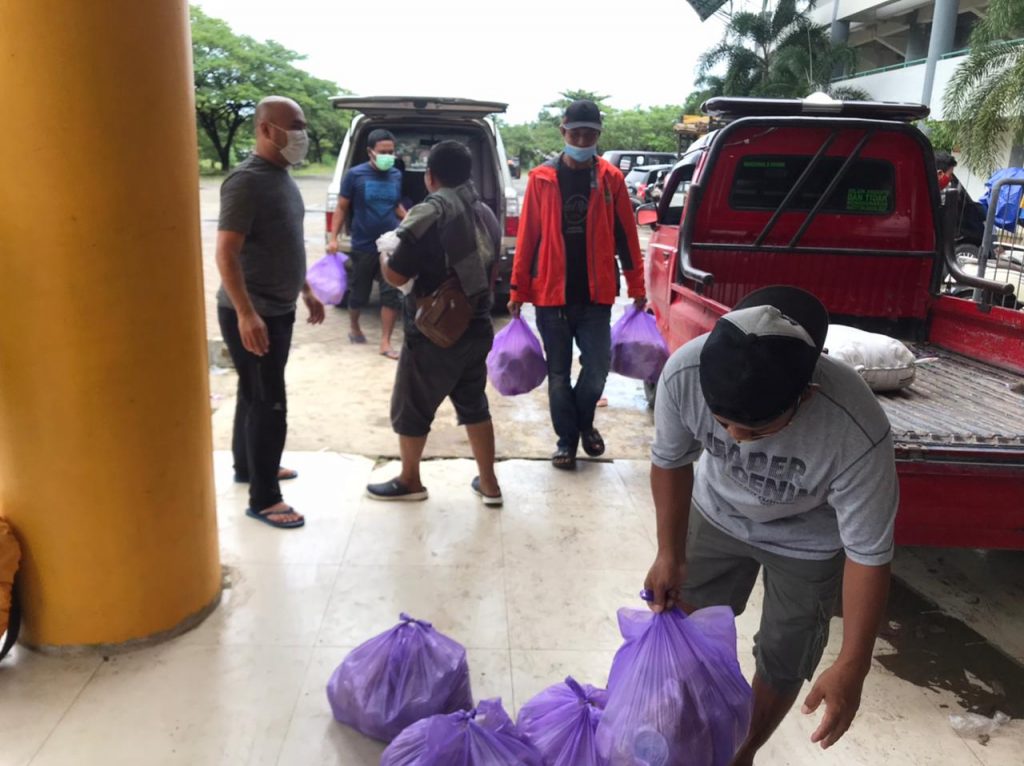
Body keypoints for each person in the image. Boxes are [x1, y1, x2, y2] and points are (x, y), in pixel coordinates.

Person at [644, 286, 898, 765]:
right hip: (718, 514)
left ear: (808, 396)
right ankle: (688, 734)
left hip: (810, 539)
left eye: (758, 431)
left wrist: (853, 663)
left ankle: (742, 751)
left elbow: (868, 553)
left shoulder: (856, 430)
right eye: (722, 424)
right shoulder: (682, 374)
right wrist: (668, 552)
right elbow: (672, 461)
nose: (738, 442)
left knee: (786, 653)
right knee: (688, 620)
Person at [508, 99, 646, 470]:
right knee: (557, 374)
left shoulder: (610, 179)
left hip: (596, 296)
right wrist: (518, 290)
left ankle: (584, 422)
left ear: (598, 135)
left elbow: (626, 237)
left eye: (590, 134)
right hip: (551, 296)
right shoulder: (540, 179)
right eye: (576, 133)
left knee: (598, 367)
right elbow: (528, 238)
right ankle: (567, 441)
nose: (582, 140)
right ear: (563, 133)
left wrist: (637, 286)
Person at [366, 140, 502, 505]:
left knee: (411, 406)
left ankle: (410, 480)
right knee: (474, 403)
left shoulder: (429, 215)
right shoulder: (484, 213)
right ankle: (489, 484)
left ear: (430, 176)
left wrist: (384, 256)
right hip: (477, 324)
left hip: (435, 331)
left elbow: (396, 277)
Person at [216, 96, 325, 529]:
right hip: (253, 312)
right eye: (294, 125)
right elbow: (226, 253)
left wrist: (307, 290)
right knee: (269, 402)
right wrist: (246, 313)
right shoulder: (246, 181)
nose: (302, 134)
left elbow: (284, 243)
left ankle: (249, 467)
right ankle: (264, 498)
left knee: (254, 392)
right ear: (266, 130)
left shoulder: (281, 176)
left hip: (276, 308)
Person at [328, 129, 406, 359]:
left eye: (391, 152)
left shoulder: (396, 175)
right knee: (358, 294)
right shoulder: (355, 175)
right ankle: (354, 326)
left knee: (390, 293)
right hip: (363, 245)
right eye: (383, 152)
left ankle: (385, 342)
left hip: (389, 246)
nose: (388, 156)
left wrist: (412, 220)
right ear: (370, 152)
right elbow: (342, 207)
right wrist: (334, 238)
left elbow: (396, 205)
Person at [935, 150, 986, 245]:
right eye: (950, 175)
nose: (951, 179)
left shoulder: (938, 192)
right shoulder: (928, 194)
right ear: (939, 173)